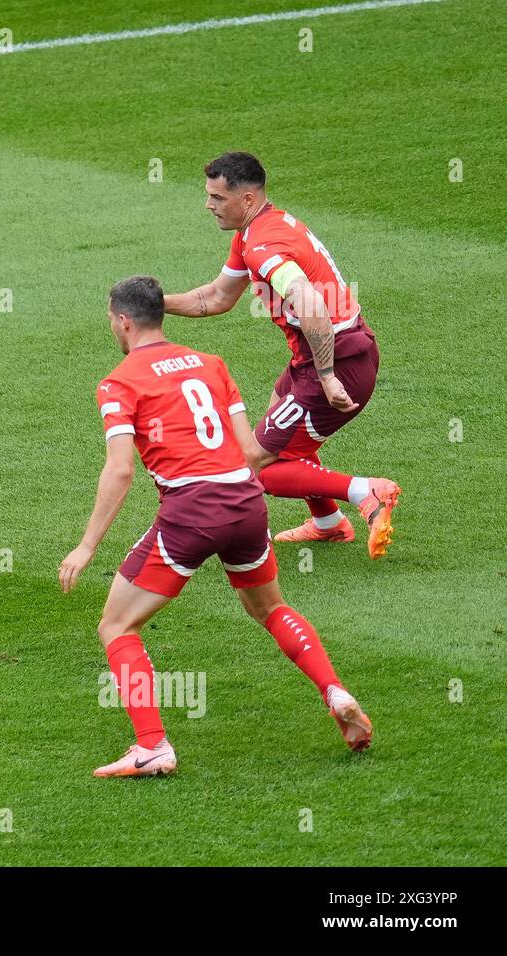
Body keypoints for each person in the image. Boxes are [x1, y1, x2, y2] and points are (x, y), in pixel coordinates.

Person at [60, 276, 373, 778]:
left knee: (116, 625)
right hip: (247, 502)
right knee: (270, 608)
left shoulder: (117, 383)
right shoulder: (211, 365)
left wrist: (86, 545)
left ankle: (152, 747)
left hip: (190, 512)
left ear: (122, 320)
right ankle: (334, 691)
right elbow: (251, 451)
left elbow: (120, 470)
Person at [162, 151, 399, 558]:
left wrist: (326, 377)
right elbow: (217, 297)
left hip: (338, 362)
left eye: (218, 198)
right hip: (324, 357)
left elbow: (311, 305)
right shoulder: (253, 233)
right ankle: (328, 524)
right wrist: (156, 303)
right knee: (279, 429)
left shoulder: (264, 247)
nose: (209, 205)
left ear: (248, 200)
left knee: (256, 463)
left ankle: (367, 492)